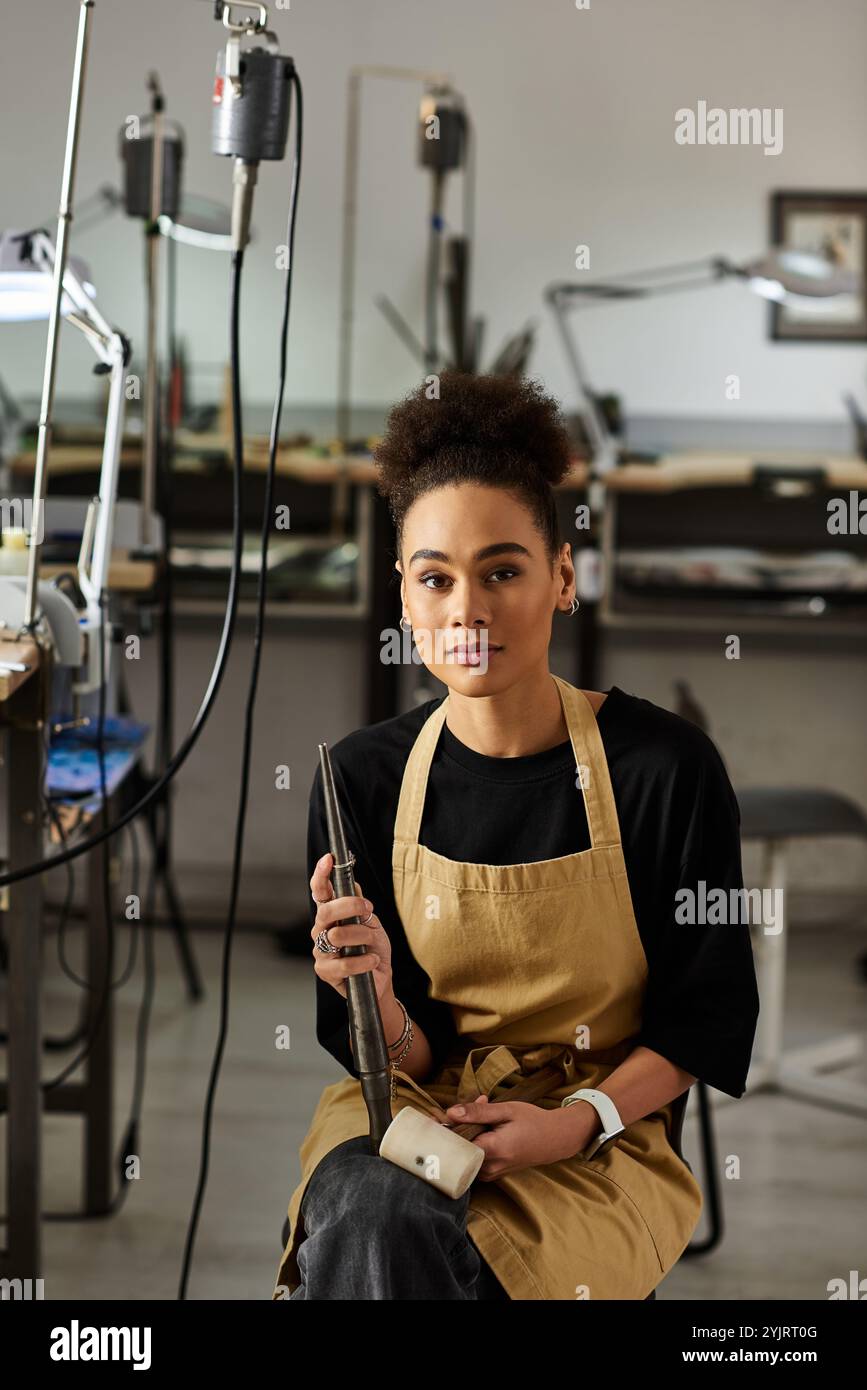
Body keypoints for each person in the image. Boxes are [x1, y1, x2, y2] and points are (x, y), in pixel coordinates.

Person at [273, 370, 759, 1301]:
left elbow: (708, 1017)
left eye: (501, 570)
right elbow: (404, 1057)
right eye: (434, 579)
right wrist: (374, 991)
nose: (467, 610)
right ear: (403, 599)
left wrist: (572, 1121)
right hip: (414, 1110)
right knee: (377, 1207)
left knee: (395, 1245)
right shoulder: (360, 780)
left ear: (563, 577)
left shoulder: (663, 769)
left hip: (601, 1138)